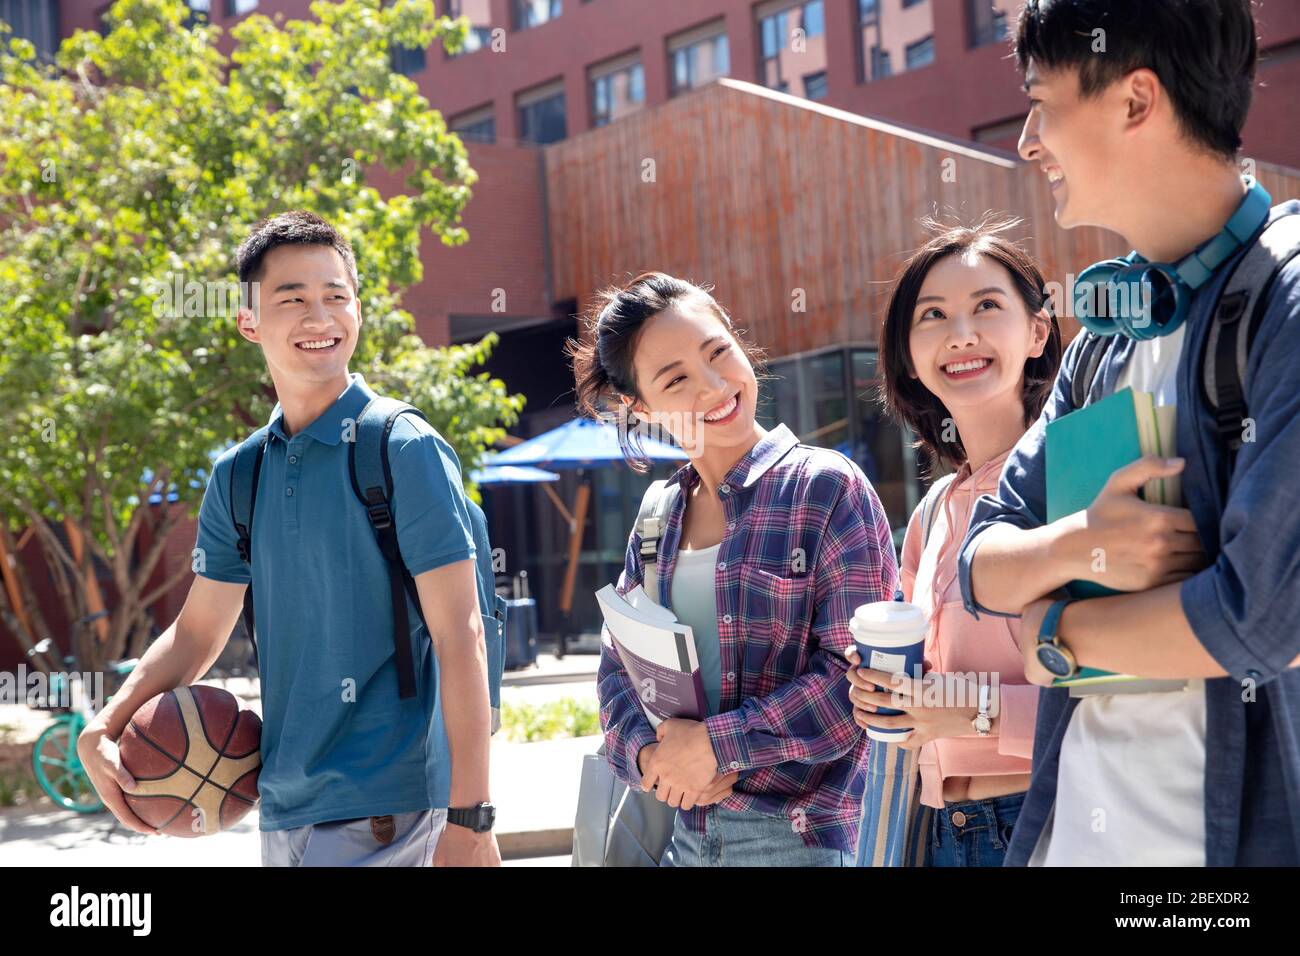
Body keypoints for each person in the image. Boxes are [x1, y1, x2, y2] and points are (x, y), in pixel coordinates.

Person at [958, 0, 1300, 865]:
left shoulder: (1285, 302)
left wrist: (1050, 637)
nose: (1029, 140)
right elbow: (980, 558)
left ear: (1136, 100)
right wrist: (1082, 543)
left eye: (1043, 103)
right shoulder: (1110, 333)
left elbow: (1256, 623)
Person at [77, 211, 500, 866]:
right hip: (282, 807)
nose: (319, 316)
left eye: (336, 296)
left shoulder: (401, 446)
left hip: (394, 808)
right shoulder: (240, 476)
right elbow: (197, 635)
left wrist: (472, 820)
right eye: (292, 298)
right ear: (248, 321)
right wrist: (104, 726)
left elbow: (461, 632)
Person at [570, 272, 897, 866]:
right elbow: (618, 673)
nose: (715, 385)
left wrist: (718, 747)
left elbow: (859, 683)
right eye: (677, 379)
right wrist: (649, 759)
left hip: (803, 841)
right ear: (639, 406)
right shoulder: (657, 517)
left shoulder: (826, 487)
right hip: (684, 838)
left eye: (718, 351)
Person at [847, 217, 1061, 866]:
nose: (960, 334)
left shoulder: (1072, 478)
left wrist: (972, 713)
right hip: (942, 834)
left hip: (1046, 821)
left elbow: (1119, 694)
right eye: (932, 315)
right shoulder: (933, 511)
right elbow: (925, 690)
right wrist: (882, 695)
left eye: (987, 307)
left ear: (1039, 330)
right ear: (910, 357)